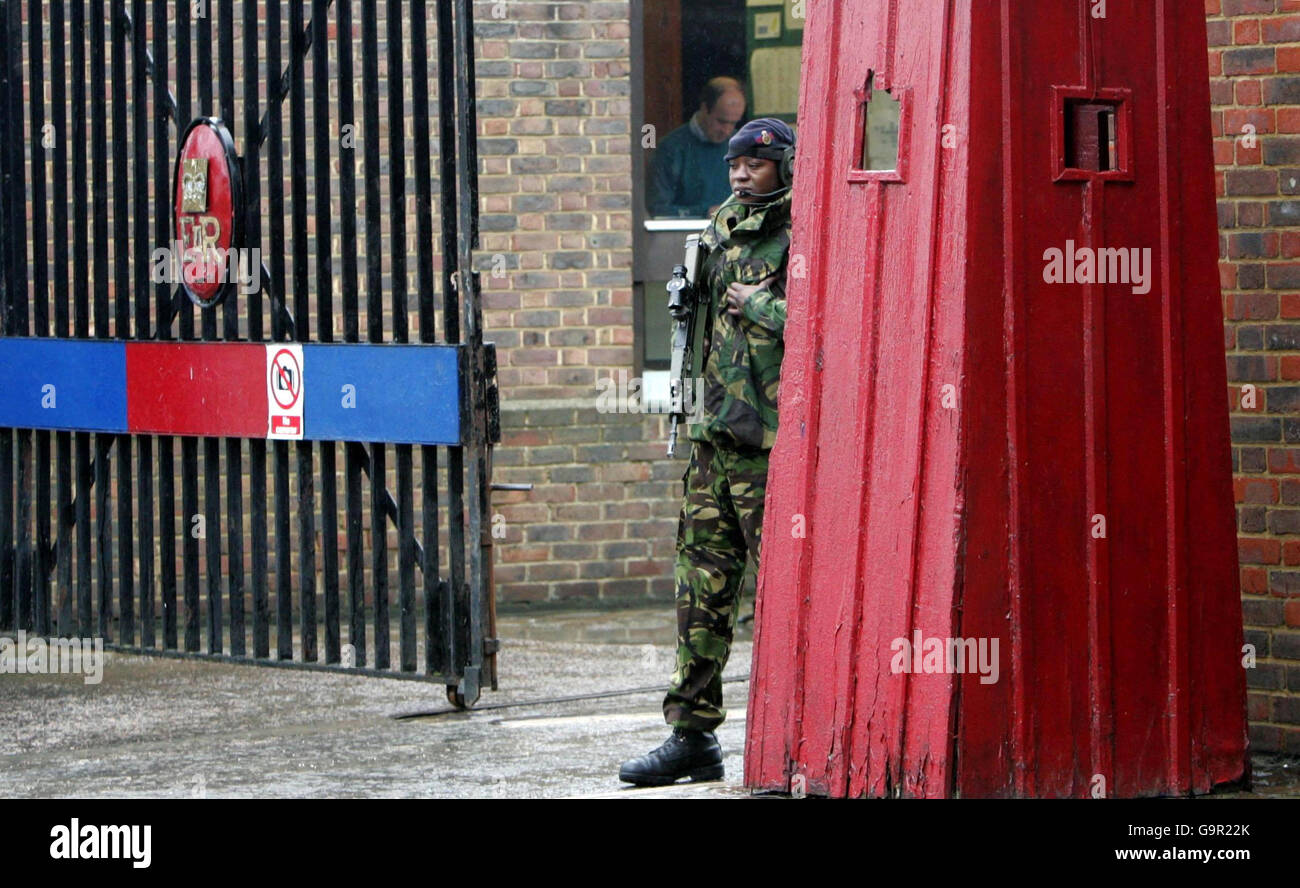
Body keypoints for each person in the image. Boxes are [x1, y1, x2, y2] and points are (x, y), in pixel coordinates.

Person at [620, 118, 796, 786]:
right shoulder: (719, 227)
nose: (741, 176)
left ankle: (792, 735)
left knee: (781, 595)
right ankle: (691, 734)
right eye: (732, 167)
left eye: (754, 166)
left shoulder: (802, 230)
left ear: (781, 165)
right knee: (701, 590)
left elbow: (831, 314)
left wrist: (762, 306)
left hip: (769, 441)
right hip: (710, 436)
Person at [648, 77, 747, 217]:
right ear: (705, 108)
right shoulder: (671, 148)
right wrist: (703, 212)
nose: (727, 130)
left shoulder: (741, 146)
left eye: (734, 123)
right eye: (721, 121)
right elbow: (657, 209)